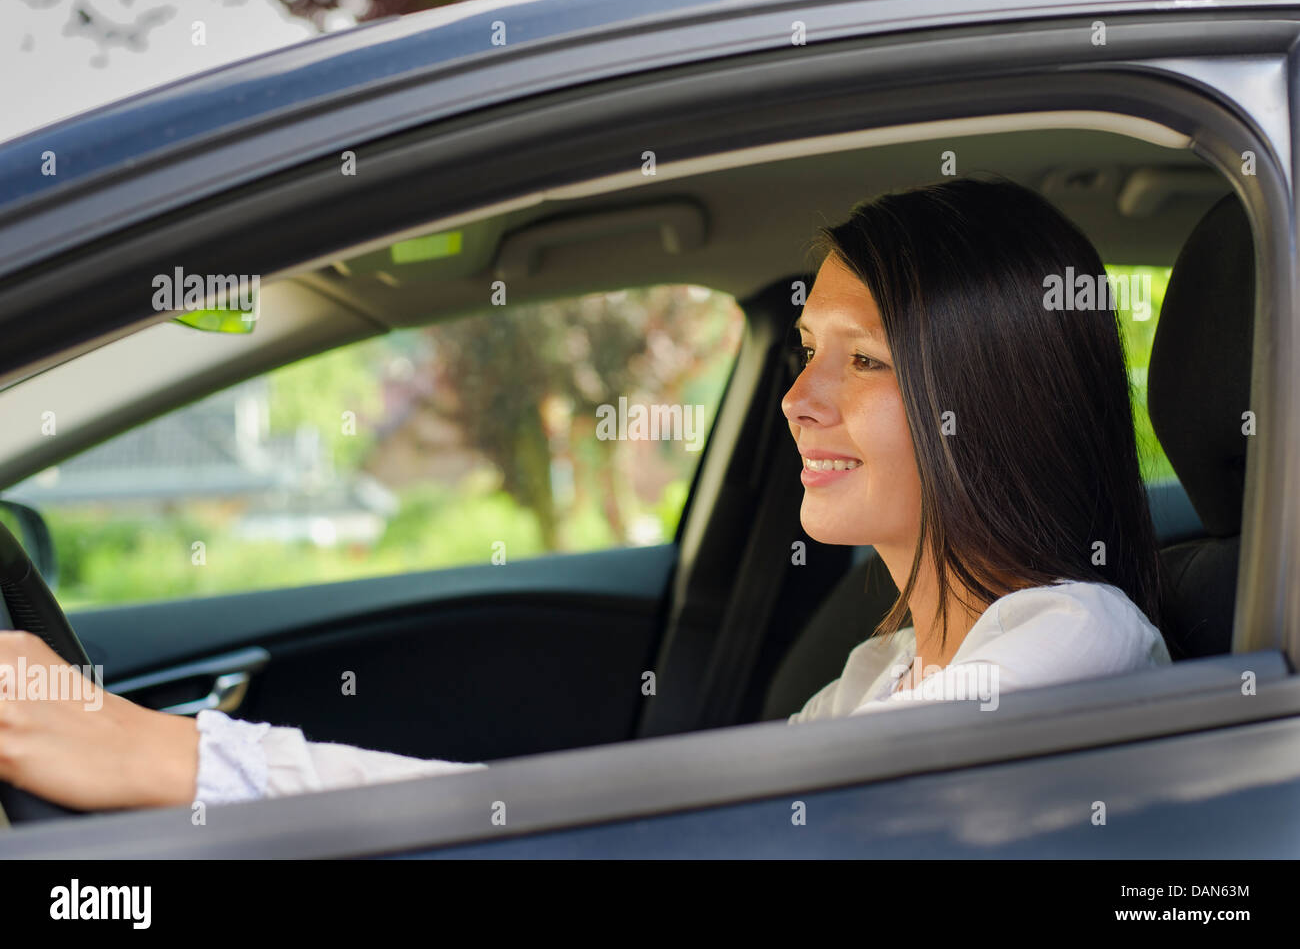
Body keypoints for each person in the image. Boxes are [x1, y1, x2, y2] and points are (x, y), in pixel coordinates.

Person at [0, 176, 1171, 813]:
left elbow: (704, 846)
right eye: (806, 348)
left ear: (991, 395)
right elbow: (687, 823)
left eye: (859, 359)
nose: (798, 398)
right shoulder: (883, 668)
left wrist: (197, 763)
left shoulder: (1069, 639)